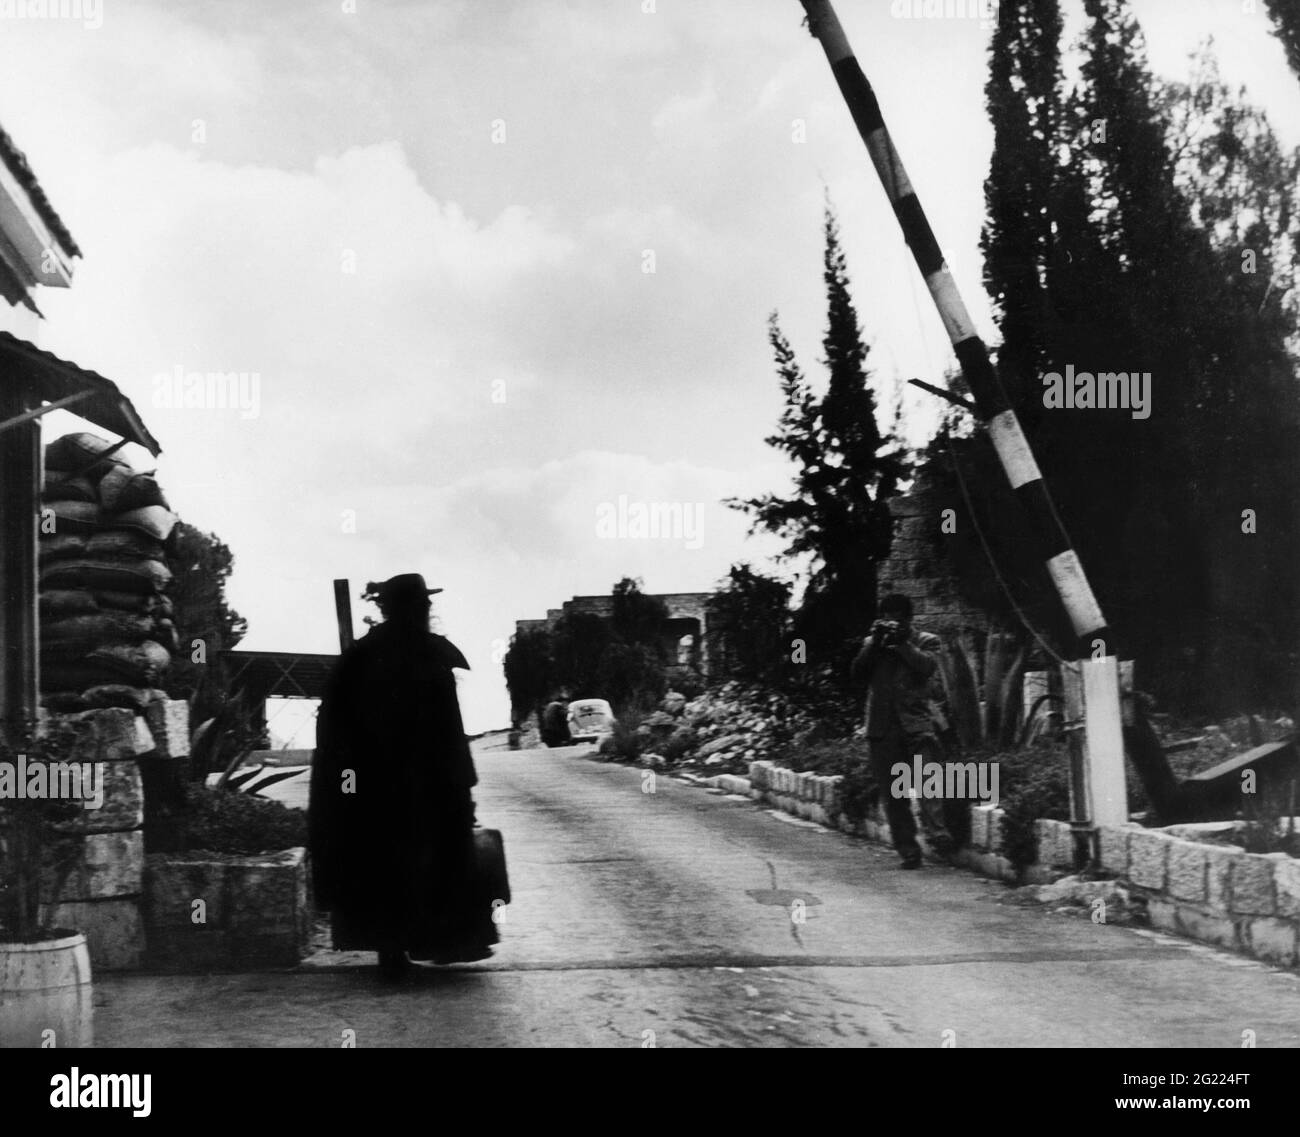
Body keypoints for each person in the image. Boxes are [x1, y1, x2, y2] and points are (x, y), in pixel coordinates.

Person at [309, 573, 497, 980]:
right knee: (427, 861)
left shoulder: (359, 658)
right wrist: (463, 785)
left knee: (389, 865)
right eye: (423, 605)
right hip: (421, 787)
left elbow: (332, 732)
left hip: (377, 789)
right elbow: (449, 730)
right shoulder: (430, 656)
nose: (428, 611)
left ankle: (394, 947)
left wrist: (345, 788)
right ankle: (434, 941)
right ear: (408, 608)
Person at [850, 593, 952, 869]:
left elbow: (926, 667)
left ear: (909, 620)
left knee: (929, 781)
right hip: (882, 728)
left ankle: (937, 834)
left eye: (897, 618)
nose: (891, 623)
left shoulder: (926, 640)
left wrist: (902, 644)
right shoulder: (873, 643)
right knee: (893, 795)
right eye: (886, 618)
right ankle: (908, 850)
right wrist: (875, 645)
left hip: (917, 724)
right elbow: (857, 673)